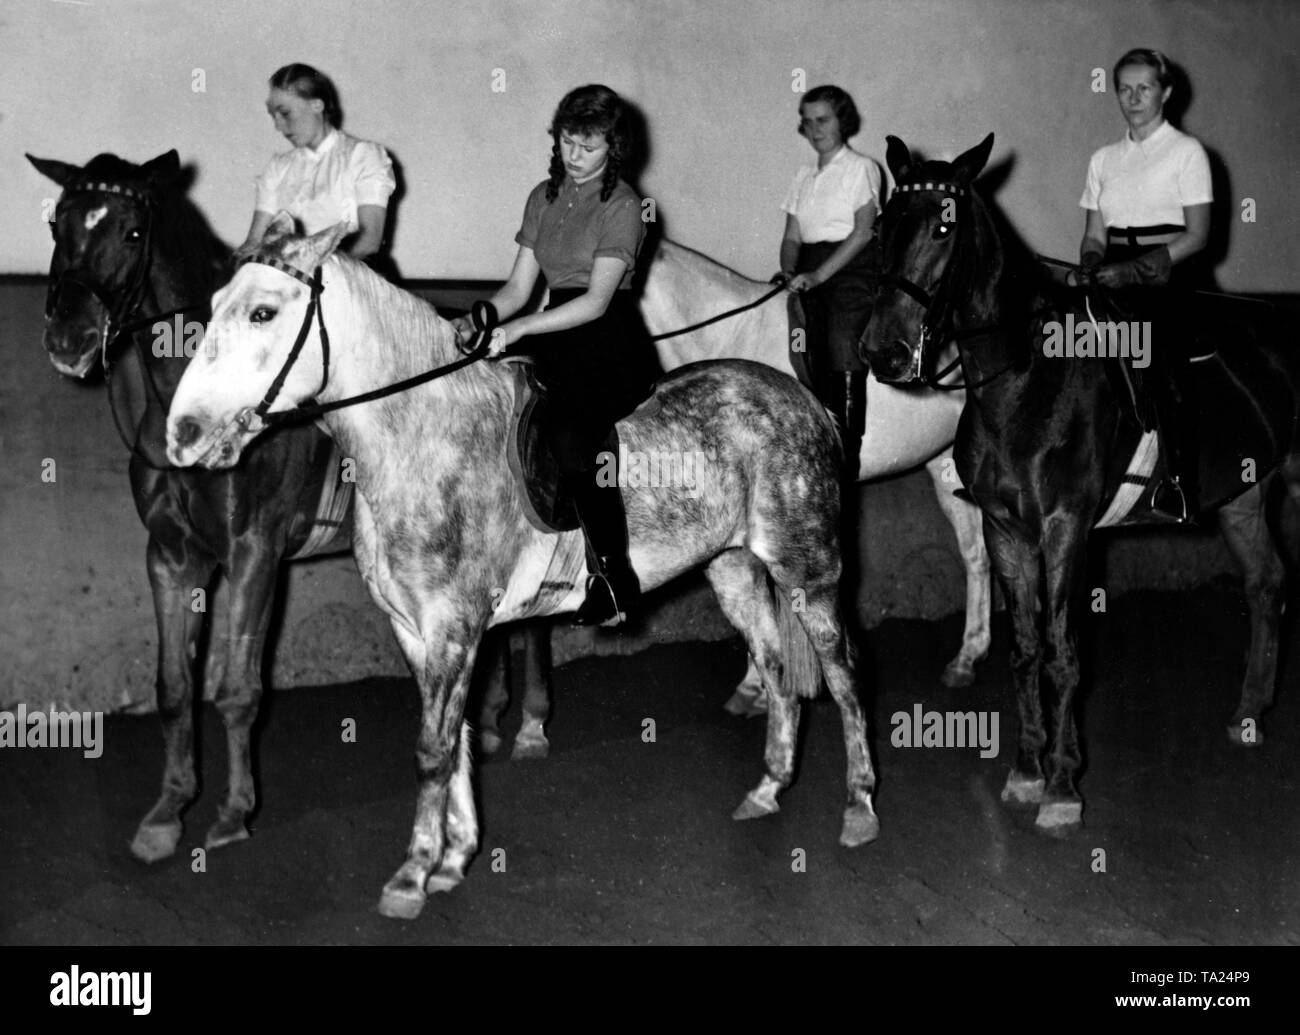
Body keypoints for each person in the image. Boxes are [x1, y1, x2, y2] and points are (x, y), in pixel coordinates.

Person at [469, 84, 654, 627]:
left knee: (572, 435)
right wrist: (479, 319)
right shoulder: (543, 196)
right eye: (567, 142)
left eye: (588, 147)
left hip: (607, 340)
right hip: (552, 328)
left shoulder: (624, 206)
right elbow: (517, 288)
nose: (575, 156)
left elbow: (596, 302)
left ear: (612, 148)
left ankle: (614, 578)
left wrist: (521, 327)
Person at [1077, 48, 1212, 521]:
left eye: (1145, 88)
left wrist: (1136, 270)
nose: (1133, 98)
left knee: (1159, 354)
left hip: (1171, 272)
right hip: (1114, 269)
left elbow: (1197, 235)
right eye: (1124, 89)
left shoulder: (1186, 152)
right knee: (1062, 340)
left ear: (1166, 92)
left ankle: (1176, 483)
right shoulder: (1103, 158)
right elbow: (1095, 233)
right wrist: (1092, 263)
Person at [778, 84, 882, 475]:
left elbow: (863, 233)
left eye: (823, 120)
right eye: (808, 122)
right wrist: (790, 272)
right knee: (800, 346)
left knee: (841, 336)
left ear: (843, 121)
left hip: (849, 268)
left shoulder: (862, 168)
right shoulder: (803, 175)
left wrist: (818, 275)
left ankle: (847, 449)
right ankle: (814, 437)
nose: (814, 128)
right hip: (808, 268)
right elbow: (791, 237)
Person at [240, 63, 396, 263]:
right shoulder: (278, 168)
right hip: (293, 281)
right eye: (273, 116)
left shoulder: (362, 155)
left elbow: (370, 239)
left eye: (285, 113)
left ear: (317, 105)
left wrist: (315, 277)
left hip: (353, 278)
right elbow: (255, 242)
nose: (278, 126)